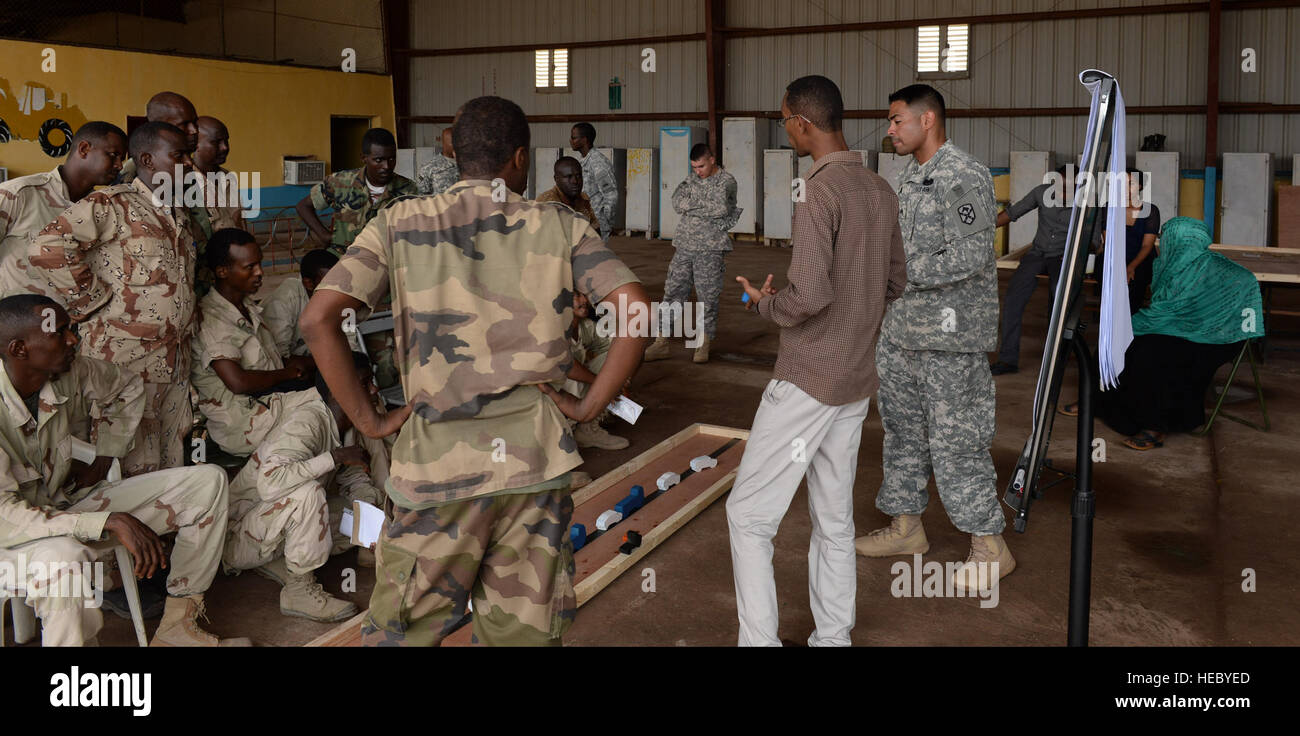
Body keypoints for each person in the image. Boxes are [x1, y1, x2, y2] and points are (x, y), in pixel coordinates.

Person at [302, 95, 647, 647]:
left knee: (402, 634)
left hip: (438, 473)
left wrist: (368, 420)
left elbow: (319, 319)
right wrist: (588, 406)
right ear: (519, 158)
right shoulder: (560, 225)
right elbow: (635, 309)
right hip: (534, 469)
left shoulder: (399, 222)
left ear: (455, 155)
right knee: (521, 637)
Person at [728, 75, 906, 647]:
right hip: (855, 380)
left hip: (807, 380)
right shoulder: (880, 189)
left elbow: (808, 297)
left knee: (749, 518)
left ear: (803, 123)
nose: (786, 130)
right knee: (834, 520)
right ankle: (833, 638)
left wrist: (765, 304)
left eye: (784, 121)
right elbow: (897, 281)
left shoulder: (816, 191)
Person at [0, 295, 245, 647]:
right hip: (12, 537)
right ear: (19, 349)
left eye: (71, 329)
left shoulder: (70, 371)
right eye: (60, 333)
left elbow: (127, 385)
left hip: (62, 508)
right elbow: (5, 516)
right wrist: (105, 521)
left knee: (207, 483)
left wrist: (106, 452)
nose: (73, 340)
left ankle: (178, 624)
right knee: (64, 561)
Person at [856, 84, 1014, 593]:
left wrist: (899, 272)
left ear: (928, 120)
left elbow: (971, 257)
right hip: (902, 332)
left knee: (957, 442)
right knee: (902, 433)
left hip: (949, 337)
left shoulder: (962, 174)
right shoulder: (910, 176)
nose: (889, 130)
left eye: (897, 120)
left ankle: (990, 546)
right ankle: (907, 529)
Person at [29, 122, 199, 477]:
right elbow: (47, 248)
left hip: (175, 364)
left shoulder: (178, 216)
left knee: (171, 461)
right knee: (125, 463)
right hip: (125, 365)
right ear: (149, 160)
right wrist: (90, 302)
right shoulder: (112, 204)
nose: (190, 165)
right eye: (180, 156)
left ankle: (165, 530)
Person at [1060, 217, 1262, 450]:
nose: (1163, 244)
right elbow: (1166, 307)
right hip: (1175, 326)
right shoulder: (1167, 265)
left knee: (1156, 355)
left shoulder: (1227, 272)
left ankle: (1155, 426)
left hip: (1216, 337)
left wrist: (1205, 325)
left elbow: (1243, 313)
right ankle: (1095, 401)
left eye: (1168, 240)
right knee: (1115, 339)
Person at [222, 355, 386, 623]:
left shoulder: (345, 424)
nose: (374, 390)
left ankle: (278, 561)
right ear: (339, 390)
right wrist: (333, 457)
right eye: (365, 383)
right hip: (238, 537)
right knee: (308, 494)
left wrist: (373, 527)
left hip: (268, 529)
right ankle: (298, 591)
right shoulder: (307, 421)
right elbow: (271, 481)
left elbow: (354, 477)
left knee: (359, 517)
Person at [191, 228, 319, 457]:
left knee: (347, 386)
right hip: (244, 421)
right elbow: (238, 382)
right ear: (222, 271)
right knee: (337, 400)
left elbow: (273, 362)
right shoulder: (212, 319)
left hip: (273, 400)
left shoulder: (249, 308)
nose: (260, 272)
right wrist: (288, 374)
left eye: (259, 264)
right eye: (249, 267)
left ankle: (361, 481)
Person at [0, 122, 127, 298]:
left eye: (122, 159)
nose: (119, 165)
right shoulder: (19, 194)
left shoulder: (103, 209)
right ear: (83, 149)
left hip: (73, 320)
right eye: (114, 155)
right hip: (18, 320)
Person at [990, 164, 1094, 375]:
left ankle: (1057, 359)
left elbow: (1093, 240)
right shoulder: (1041, 192)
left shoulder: (1087, 201)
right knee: (1013, 299)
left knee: (1060, 299)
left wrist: (1086, 249)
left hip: (1063, 256)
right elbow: (1012, 213)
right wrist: (981, 228)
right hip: (1037, 253)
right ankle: (1008, 359)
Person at [645, 142, 741, 364]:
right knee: (672, 292)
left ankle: (703, 343)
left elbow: (721, 209)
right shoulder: (691, 179)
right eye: (694, 167)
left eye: (701, 166)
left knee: (707, 297)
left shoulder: (727, 181)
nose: (697, 171)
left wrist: (692, 205)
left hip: (710, 247)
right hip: (685, 245)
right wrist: (702, 205)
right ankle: (661, 342)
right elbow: (677, 203)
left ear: (711, 160)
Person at [295, 127, 417, 256]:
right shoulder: (340, 182)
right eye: (378, 160)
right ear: (363, 158)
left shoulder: (409, 190)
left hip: (386, 262)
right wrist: (324, 236)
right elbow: (303, 206)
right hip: (344, 261)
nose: (386, 166)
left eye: (391, 159)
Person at [261, 248, 365, 358]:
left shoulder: (342, 297)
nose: (337, 288)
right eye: (330, 284)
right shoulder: (283, 302)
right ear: (309, 283)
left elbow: (350, 344)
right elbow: (280, 357)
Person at [190, 115, 247, 297]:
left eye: (227, 140)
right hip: (201, 283)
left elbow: (239, 224)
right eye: (216, 142)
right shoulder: (183, 184)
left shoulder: (228, 179)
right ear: (195, 145)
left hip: (231, 280)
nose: (225, 147)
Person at [564, 291, 628, 451]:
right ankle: (572, 427)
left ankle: (587, 427)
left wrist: (622, 380)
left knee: (623, 354)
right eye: (577, 296)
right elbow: (567, 366)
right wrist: (604, 385)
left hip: (575, 388)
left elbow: (611, 348)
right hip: (555, 392)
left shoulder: (585, 325)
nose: (584, 300)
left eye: (585, 296)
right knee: (571, 375)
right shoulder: (554, 330)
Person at [1097, 169, 1160, 315]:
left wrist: (1130, 267)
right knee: (1107, 278)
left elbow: (1147, 245)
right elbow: (1109, 242)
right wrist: (1119, 267)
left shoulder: (1151, 210)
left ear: (1140, 186)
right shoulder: (1109, 207)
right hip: (1115, 256)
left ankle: (1131, 323)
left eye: (1130, 183)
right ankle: (1109, 321)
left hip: (1140, 259)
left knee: (1135, 284)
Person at [115, 91, 200, 184]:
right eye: (184, 124)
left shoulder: (196, 169)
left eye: (195, 123)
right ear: (160, 126)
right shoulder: (129, 176)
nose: (194, 130)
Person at [569, 122, 618, 240]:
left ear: (584, 140)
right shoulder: (583, 161)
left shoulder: (598, 162)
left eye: (574, 137)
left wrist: (603, 223)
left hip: (596, 226)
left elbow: (611, 195)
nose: (570, 140)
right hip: (585, 222)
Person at [536, 156, 599, 226]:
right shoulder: (546, 202)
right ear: (556, 179)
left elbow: (595, 229)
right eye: (569, 177)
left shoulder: (583, 199)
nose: (575, 181)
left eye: (578, 176)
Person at [416, 127, 458, 195]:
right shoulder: (428, 168)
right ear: (444, 143)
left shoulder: (468, 165)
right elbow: (422, 197)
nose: (457, 145)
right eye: (453, 143)